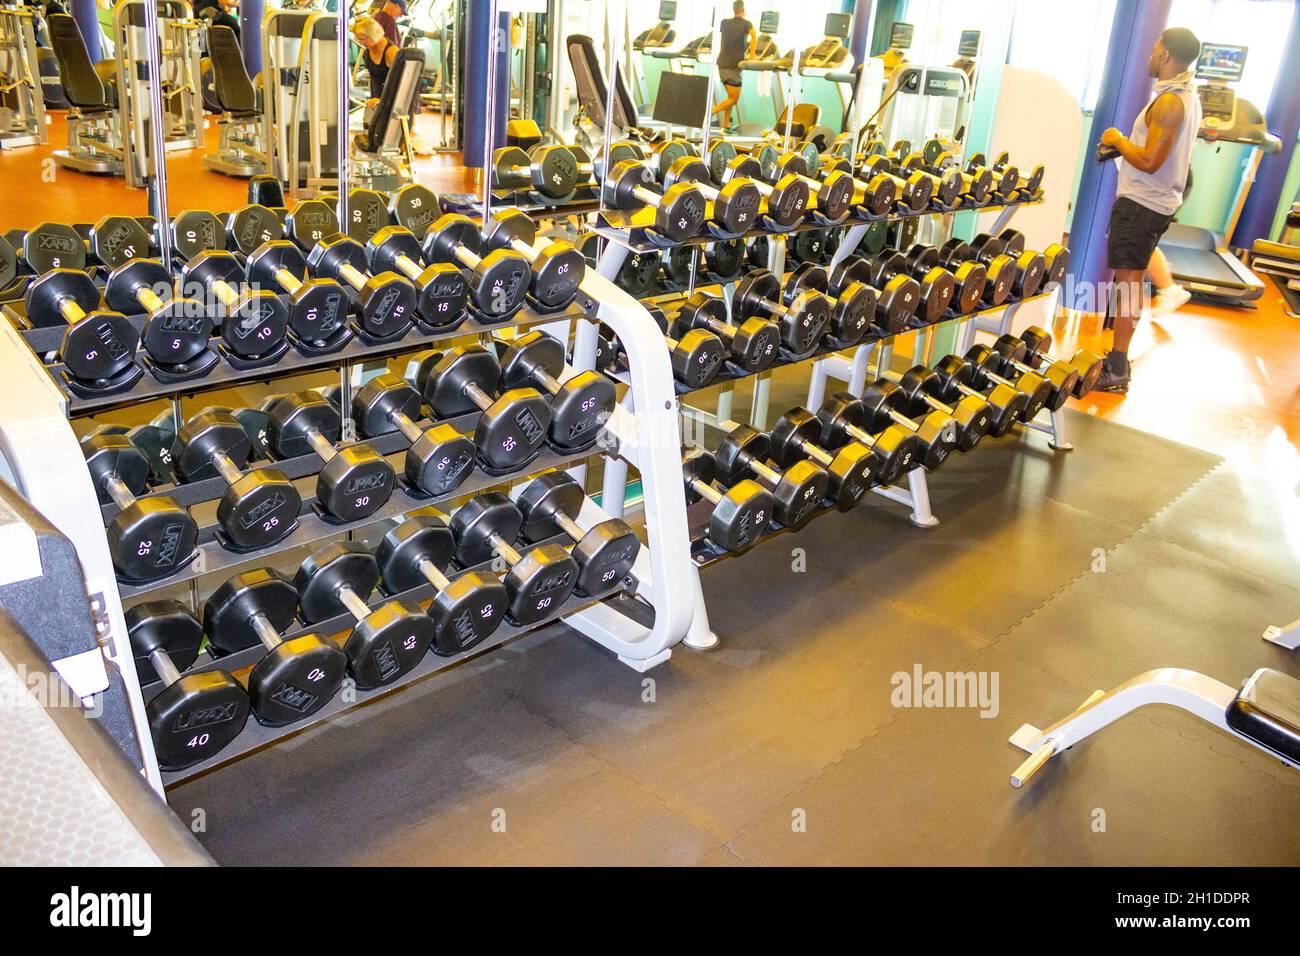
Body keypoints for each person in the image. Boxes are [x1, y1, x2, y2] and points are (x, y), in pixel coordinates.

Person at [1094, 26, 1202, 393]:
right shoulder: (1185, 94)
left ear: (1166, 55)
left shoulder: (1171, 102)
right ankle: (1116, 362)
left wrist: (1117, 140)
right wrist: (1124, 148)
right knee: (1130, 280)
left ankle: (1117, 369)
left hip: (1143, 204)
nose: (1149, 55)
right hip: (1152, 202)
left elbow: (1152, 160)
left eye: (1155, 49)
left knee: (1127, 285)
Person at [711, 1, 755, 132]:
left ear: (734, 9)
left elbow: (728, 39)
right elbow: (754, 36)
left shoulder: (724, 23)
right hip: (734, 66)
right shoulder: (747, 24)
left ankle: (726, 124)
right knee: (733, 99)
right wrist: (752, 54)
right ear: (743, 9)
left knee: (730, 96)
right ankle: (709, 113)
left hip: (722, 64)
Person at [352, 15, 399, 107]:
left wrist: (382, 100)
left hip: (391, 104)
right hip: (376, 103)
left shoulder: (391, 52)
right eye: (358, 39)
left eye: (362, 38)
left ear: (373, 34)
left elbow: (400, 84)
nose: (361, 43)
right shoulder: (367, 51)